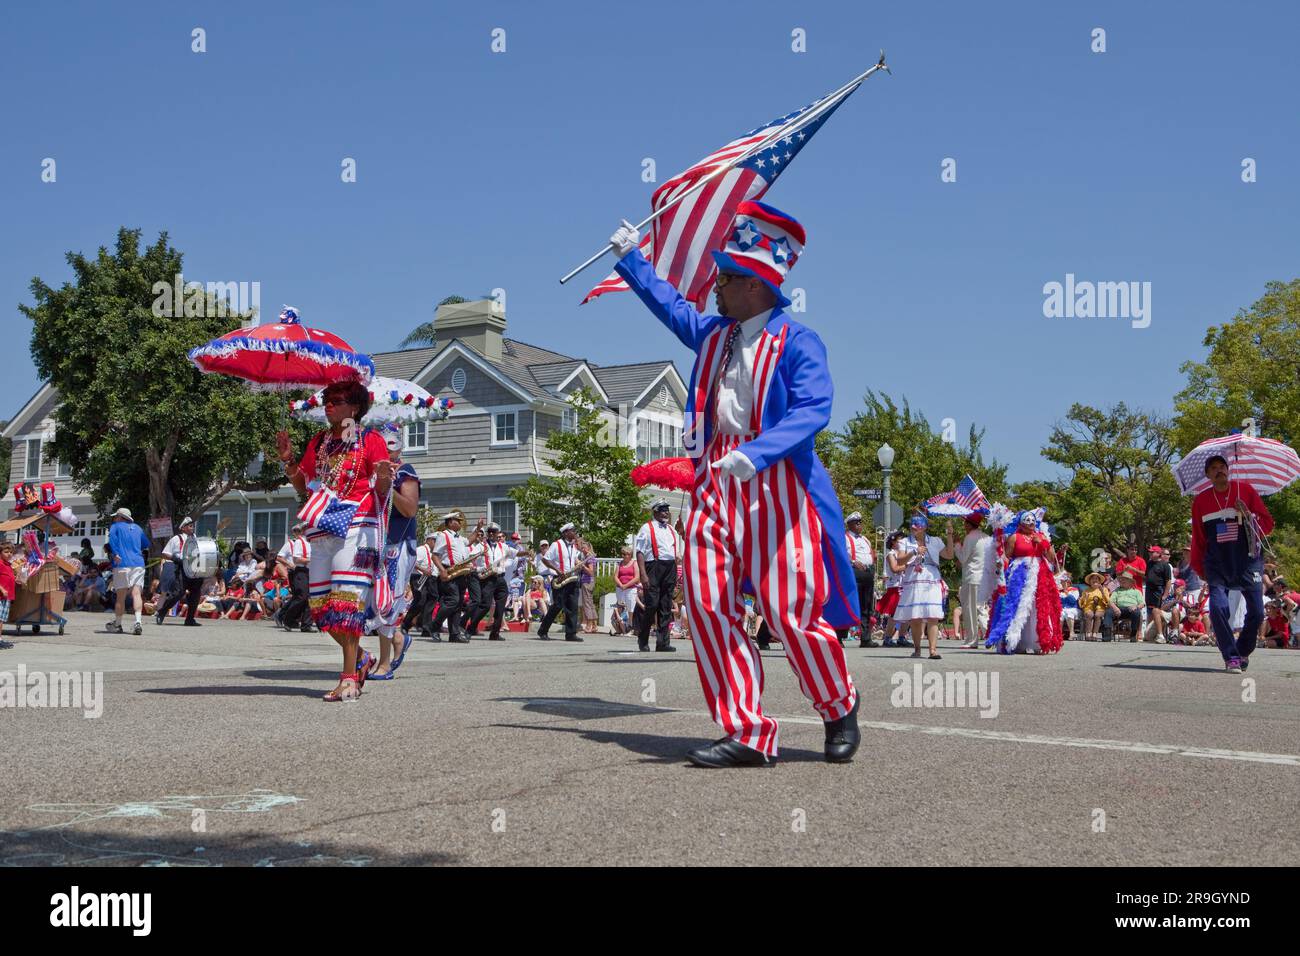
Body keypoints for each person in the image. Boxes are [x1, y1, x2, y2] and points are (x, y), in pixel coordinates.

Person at [609, 202, 860, 767]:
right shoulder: (713, 335)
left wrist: (758, 452)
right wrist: (633, 259)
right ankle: (747, 730)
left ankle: (838, 703)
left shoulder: (798, 341)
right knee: (705, 603)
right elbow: (670, 306)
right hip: (715, 478)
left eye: (723, 278)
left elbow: (814, 409)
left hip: (777, 481)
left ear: (754, 285)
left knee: (789, 611)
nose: (714, 287)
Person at [276, 377, 392, 701]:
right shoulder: (320, 442)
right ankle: (362, 658)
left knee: (345, 604)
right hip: (323, 527)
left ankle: (348, 679)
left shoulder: (370, 440)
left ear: (354, 408)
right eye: (326, 400)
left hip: (358, 526)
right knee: (320, 609)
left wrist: (384, 477)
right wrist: (288, 460)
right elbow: (303, 486)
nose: (328, 406)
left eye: (336, 401)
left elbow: (382, 488)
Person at [1188, 454, 1274, 673]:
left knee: (1257, 612)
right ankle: (1231, 656)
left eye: (1222, 466)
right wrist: (1199, 566)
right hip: (1217, 562)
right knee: (1218, 608)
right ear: (1208, 475)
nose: (1219, 470)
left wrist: (1248, 514)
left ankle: (1242, 649)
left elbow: (1267, 524)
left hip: (1248, 561)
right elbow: (1198, 537)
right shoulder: (1201, 501)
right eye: (1214, 468)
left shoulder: (1245, 491)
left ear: (1228, 469)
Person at [367, 426, 421, 678]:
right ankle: (398, 638)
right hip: (372, 543)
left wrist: (390, 487)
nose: (387, 451)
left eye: (390, 445)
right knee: (368, 600)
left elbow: (410, 509)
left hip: (397, 545)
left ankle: (385, 663)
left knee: (386, 602)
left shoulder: (404, 471)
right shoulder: (370, 472)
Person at [985, 507, 1063, 654]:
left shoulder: (1042, 536)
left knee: (1038, 607)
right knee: (1017, 605)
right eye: (1027, 520)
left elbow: (1052, 558)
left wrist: (1042, 543)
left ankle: (1039, 643)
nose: (1031, 523)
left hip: (1039, 574)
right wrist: (1000, 561)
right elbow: (1007, 556)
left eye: (1033, 520)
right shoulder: (1014, 537)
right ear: (1021, 523)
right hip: (1019, 574)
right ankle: (1015, 642)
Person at [896, 515, 945, 660]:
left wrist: (949, 535)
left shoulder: (935, 541)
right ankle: (917, 649)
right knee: (916, 617)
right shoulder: (905, 542)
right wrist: (915, 551)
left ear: (924, 528)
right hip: (914, 579)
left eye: (917, 526)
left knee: (933, 615)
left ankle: (933, 650)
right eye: (912, 526)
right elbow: (900, 560)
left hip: (931, 578)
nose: (913, 528)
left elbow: (949, 555)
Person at [633, 500, 679, 652]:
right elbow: (640, 552)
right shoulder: (647, 528)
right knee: (652, 605)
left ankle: (663, 643)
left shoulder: (671, 529)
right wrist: (643, 574)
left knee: (666, 606)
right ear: (655, 512)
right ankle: (643, 639)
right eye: (663, 510)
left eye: (667, 510)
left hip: (669, 567)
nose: (666, 512)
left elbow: (673, 550)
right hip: (653, 567)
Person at [946, 513, 993, 649]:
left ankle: (972, 640)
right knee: (981, 608)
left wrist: (957, 544)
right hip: (984, 577)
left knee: (970, 609)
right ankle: (990, 635)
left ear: (968, 524)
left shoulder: (970, 537)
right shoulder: (987, 537)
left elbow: (963, 558)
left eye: (965, 523)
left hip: (972, 577)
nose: (964, 525)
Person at [467, 523, 517, 642]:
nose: (490, 533)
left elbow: (514, 553)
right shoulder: (481, 546)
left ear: (497, 533)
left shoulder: (503, 546)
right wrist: (476, 568)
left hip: (500, 578)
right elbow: (470, 557)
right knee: (485, 605)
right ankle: (470, 629)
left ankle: (495, 633)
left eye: (493, 531)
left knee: (500, 608)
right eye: (489, 531)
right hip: (488, 578)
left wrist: (527, 553)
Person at [428, 512, 473, 644]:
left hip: (461, 573)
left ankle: (454, 634)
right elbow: (435, 555)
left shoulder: (459, 537)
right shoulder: (443, 535)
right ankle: (434, 626)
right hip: (450, 571)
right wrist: (442, 570)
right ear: (450, 522)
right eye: (457, 521)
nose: (460, 523)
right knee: (452, 601)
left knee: (458, 605)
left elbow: (469, 541)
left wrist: (478, 529)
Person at [537, 523, 584, 642]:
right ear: (565, 533)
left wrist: (578, 565)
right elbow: (545, 559)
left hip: (572, 579)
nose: (575, 532)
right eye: (572, 530)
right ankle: (543, 630)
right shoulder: (556, 544)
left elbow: (572, 560)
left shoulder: (574, 546)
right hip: (560, 579)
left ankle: (571, 634)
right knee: (557, 606)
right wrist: (557, 570)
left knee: (572, 607)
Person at [837, 511, 877, 648]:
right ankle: (839, 637)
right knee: (848, 605)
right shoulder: (845, 537)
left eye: (860, 522)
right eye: (856, 523)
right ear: (849, 525)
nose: (860, 525)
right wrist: (853, 562)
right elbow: (841, 553)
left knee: (867, 607)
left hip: (868, 573)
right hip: (853, 573)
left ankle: (866, 639)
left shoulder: (865, 539)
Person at [155, 516, 205, 628]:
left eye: (192, 526)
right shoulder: (176, 539)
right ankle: (162, 612)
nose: (192, 527)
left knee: (196, 593)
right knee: (179, 593)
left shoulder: (196, 539)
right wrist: (176, 559)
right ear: (183, 528)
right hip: (181, 568)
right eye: (190, 526)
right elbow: (165, 553)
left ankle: (190, 619)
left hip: (194, 568)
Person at [107, 507, 149, 635]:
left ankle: (118, 624)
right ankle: (138, 622)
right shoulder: (138, 528)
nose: (114, 519)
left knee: (121, 596)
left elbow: (112, 541)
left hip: (122, 563)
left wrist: (115, 553)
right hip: (138, 563)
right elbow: (145, 544)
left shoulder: (115, 526)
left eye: (116, 517)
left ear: (120, 517)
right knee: (136, 594)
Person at [275, 524, 314, 631]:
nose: (297, 532)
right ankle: (287, 618)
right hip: (300, 571)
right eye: (296, 530)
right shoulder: (298, 542)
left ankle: (306, 624)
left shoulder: (314, 542)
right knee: (301, 596)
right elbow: (296, 559)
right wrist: (311, 560)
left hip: (312, 572)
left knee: (310, 598)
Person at [1143, 545, 1174, 643]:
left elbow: (1168, 581)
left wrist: (1165, 594)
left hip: (1158, 590)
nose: (1150, 553)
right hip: (1149, 590)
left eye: (1152, 552)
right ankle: (1149, 634)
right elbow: (1147, 576)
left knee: (1157, 611)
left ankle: (1160, 634)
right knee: (1150, 611)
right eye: (1150, 552)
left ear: (1159, 553)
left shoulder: (1165, 565)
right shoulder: (1149, 563)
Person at [1109, 569, 1145, 640]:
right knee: (1108, 612)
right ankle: (1107, 634)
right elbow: (1110, 601)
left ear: (1130, 582)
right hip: (1119, 610)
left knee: (1137, 612)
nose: (1122, 581)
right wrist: (1115, 608)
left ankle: (1133, 634)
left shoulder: (1136, 592)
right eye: (1121, 579)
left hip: (1131, 610)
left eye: (1124, 579)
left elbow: (1142, 604)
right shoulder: (1117, 590)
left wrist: (1136, 606)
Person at [613, 545, 641, 633]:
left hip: (631, 588)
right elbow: (615, 576)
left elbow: (637, 577)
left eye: (627, 554)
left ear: (630, 555)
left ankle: (630, 625)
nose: (624, 556)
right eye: (623, 554)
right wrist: (621, 585)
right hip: (620, 588)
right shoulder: (620, 564)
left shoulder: (634, 563)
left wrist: (626, 585)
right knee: (621, 607)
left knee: (631, 607)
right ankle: (621, 626)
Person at [1080, 572, 1109, 641]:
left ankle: (1095, 634)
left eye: (1096, 579)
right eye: (1092, 579)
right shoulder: (1086, 590)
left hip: (1100, 608)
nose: (1094, 580)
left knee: (1097, 615)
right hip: (1088, 607)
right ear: (1090, 581)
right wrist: (1085, 598)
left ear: (1099, 581)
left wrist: (1102, 592)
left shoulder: (1104, 589)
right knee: (1089, 614)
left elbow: (1107, 601)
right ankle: (1088, 633)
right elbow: (1081, 603)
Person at [1059, 572, 1080, 641]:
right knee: (1059, 614)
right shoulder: (1059, 591)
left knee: (1069, 613)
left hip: (1073, 608)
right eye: (1062, 582)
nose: (1063, 583)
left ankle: (1071, 632)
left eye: (1065, 582)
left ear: (1069, 582)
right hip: (1062, 609)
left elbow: (1073, 601)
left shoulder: (1074, 590)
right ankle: (1059, 634)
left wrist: (1066, 591)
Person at [0, 541, 15, 631]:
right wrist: (2, 589)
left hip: (6, 597)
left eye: (11, 552)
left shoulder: (9, 565)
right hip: (1, 595)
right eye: (6, 552)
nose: (9, 554)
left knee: (1, 619)